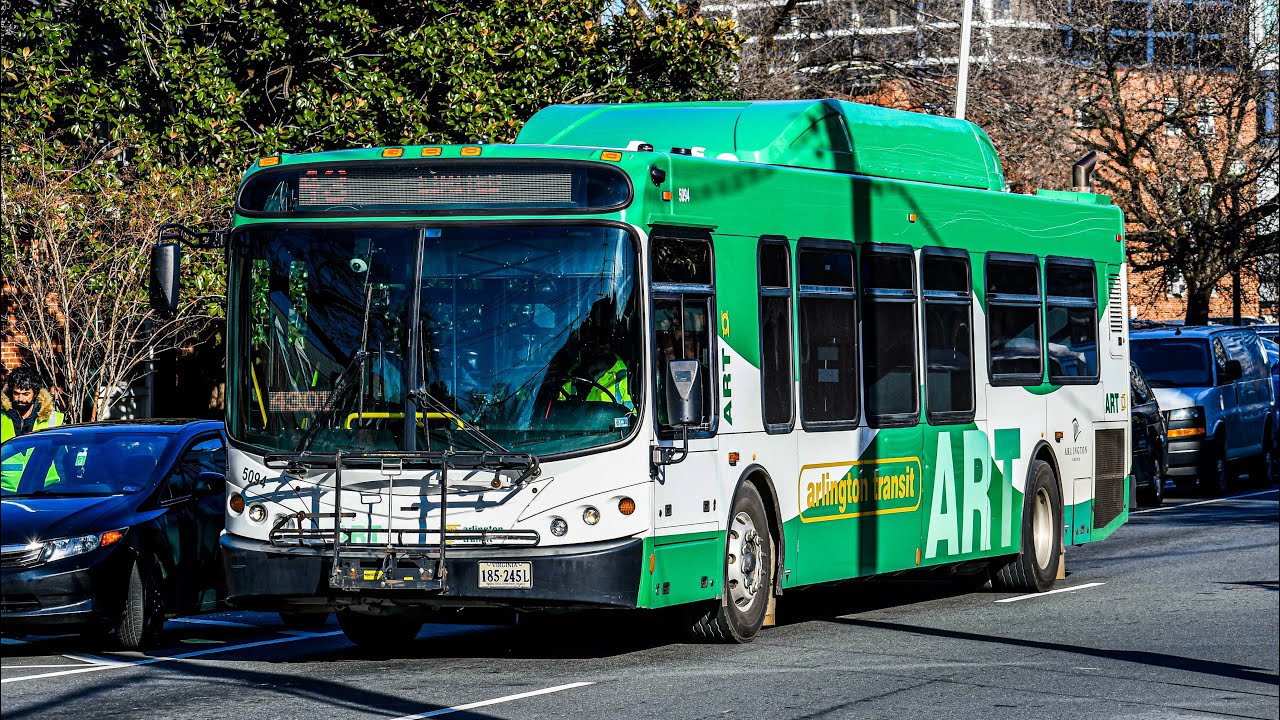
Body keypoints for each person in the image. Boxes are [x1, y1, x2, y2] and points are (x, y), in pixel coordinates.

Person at [2, 367, 64, 492]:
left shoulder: (53, 419)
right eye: (16, 393)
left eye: (26, 394)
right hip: (5, 490)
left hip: (47, 488)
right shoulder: (2, 417)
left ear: (35, 393)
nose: (20, 399)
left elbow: (64, 458)